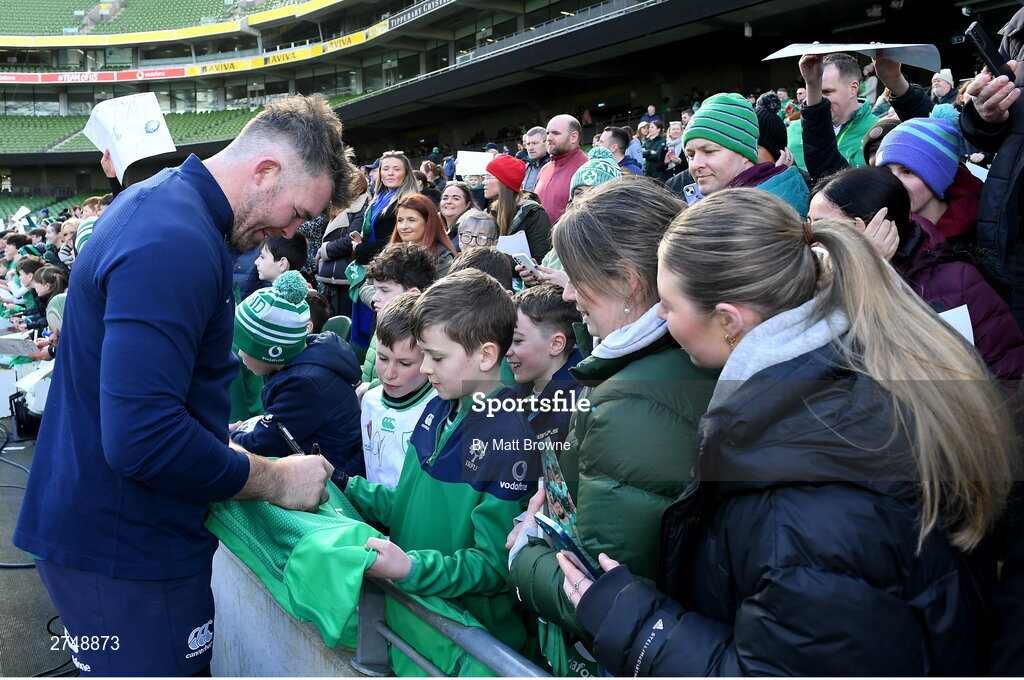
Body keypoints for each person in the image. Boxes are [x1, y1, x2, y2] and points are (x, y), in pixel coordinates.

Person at [559, 188, 1015, 676]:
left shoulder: (799, 497)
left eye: (668, 307)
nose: (662, 321)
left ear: (729, 321)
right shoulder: (867, 358)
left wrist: (635, 625)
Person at [13, 95, 349, 676]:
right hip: (128, 551)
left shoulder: (167, 207)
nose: (294, 232)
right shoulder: (175, 238)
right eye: (298, 211)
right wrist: (274, 478)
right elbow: (143, 437)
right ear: (265, 171)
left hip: (116, 540)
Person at [506, 177, 718, 675]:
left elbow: (606, 597)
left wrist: (525, 553)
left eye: (576, 279)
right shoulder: (677, 361)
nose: (571, 297)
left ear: (625, 281)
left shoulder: (630, 401)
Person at [341, 269, 539, 658]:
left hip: (465, 646)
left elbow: (494, 566)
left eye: (436, 356)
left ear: (485, 356)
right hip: (415, 621)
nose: (425, 367)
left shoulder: (509, 438)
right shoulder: (438, 403)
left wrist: (412, 569)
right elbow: (409, 503)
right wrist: (346, 484)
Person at [809, 166, 1024, 381]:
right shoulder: (812, 274)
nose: (811, 237)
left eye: (822, 226)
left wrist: (868, 268)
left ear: (864, 227)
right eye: (808, 222)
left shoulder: (957, 282)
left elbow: (1007, 372)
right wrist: (861, 268)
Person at [229, 271, 364, 481]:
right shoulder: (301, 363)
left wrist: (226, 435)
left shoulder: (303, 384)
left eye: (247, 347)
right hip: (329, 461)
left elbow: (264, 445)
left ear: (273, 352)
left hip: (335, 480)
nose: (240, 353)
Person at [682, 93, 809, 217]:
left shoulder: (760, 216)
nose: (695, 165)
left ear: (745, 153)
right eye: (691, 155)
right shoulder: (746, 204)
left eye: (709, 151)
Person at [359, 291, 435, 488]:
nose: (389, 373)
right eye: (383, 359)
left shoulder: (440, 411)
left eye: (404, 363)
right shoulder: (369, 400)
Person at [875, 113, 983, 244]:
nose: (893, 182)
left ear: (938, 178)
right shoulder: (878, 229)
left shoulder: (979, 236)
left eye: (907, 171)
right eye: (886, 171)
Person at [506, 283, 582, 445]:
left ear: (556, 344)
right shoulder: (515, 395)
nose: (507, 351)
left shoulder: (577, 407)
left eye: (517, 341)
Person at [787, 52, 879, 179]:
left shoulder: (879, 132)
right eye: (812, 90)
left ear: (853, 88)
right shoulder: (793, 131)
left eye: (827, 92)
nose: (818, 98)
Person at [359, 242, 438, 391]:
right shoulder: (384, 320)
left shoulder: (423, 338)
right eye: (376, 289)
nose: (375, 298)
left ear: (413, 294)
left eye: (384, 290)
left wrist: (370, 389)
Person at [485, 154, 552, 259]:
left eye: (488, 177)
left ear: (504, 182)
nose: (484, 182)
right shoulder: (493, 210)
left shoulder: (535, 214)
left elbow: (540, 260)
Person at [534, 114, 588, 225]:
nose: (548, 138)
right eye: (548, 133)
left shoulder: (586, 169)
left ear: (573, 137)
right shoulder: (544, 169)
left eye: (555, 133)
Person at [387, 193, 458, 278]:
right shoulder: (390, 252)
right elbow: (368, 284)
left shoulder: (443, 259)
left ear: (428, 222)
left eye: (411, 220)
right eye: (400, 220)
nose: (403, 227)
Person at [439, 181, 478, 246]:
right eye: (445, 198)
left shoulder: (471, 232)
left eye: (456, 199)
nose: (448, 202)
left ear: (467, 205)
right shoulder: (437, 226)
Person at [521, 126, 550, 193]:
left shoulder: (556, 166)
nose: (530, 148)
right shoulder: (525, 168)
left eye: (535, 143)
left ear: (546, 143)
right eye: (528, 144)